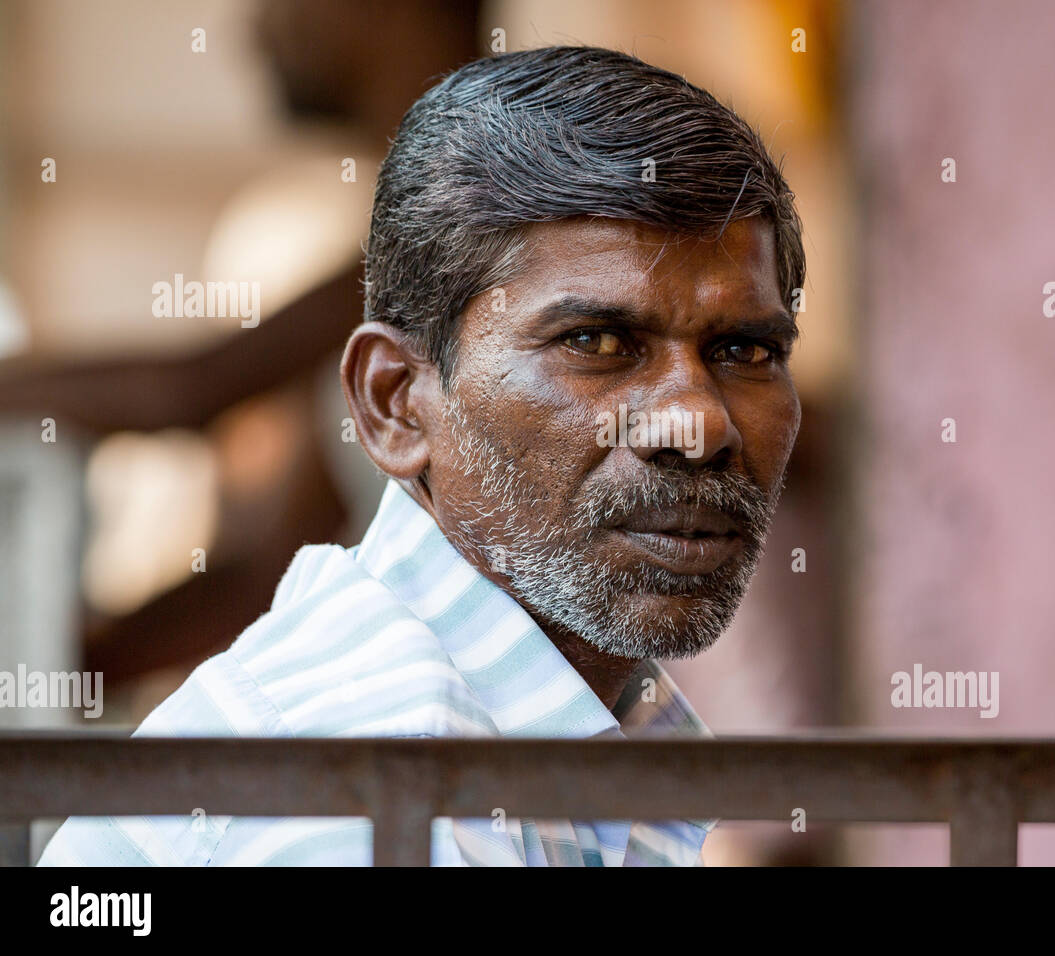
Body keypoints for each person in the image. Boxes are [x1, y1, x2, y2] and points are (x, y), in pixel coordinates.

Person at [38, 44, 805, 867]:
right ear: (394, 403)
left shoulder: (562, 735)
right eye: (598, 340)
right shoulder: (371, 795)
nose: (698, 421)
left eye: (746, 351)